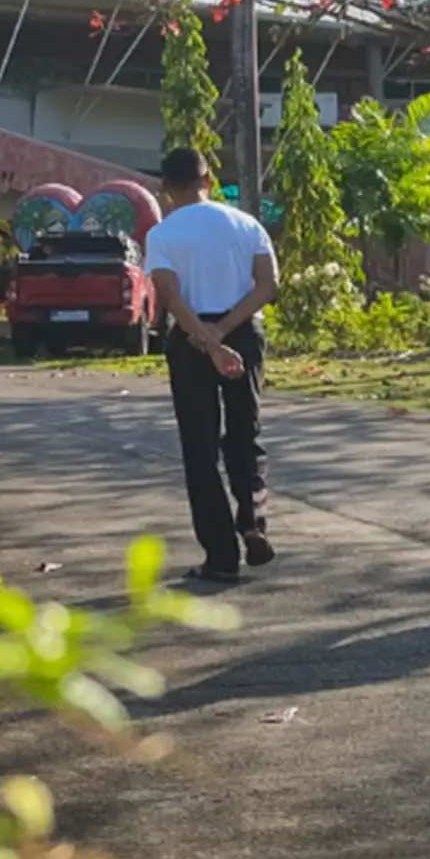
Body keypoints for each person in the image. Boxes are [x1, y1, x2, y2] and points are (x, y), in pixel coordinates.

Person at [144, 147, 279, 583]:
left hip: (190, 342)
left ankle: (221, 557)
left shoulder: (163, 234)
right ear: (208, 180)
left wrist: (207, 339)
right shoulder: (246, 224)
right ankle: (253, 523)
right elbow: (268, 285)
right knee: (245, 434)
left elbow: (170, 298)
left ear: (166, 189)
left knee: (200, 450)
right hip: (242, 332)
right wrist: (225, 332)